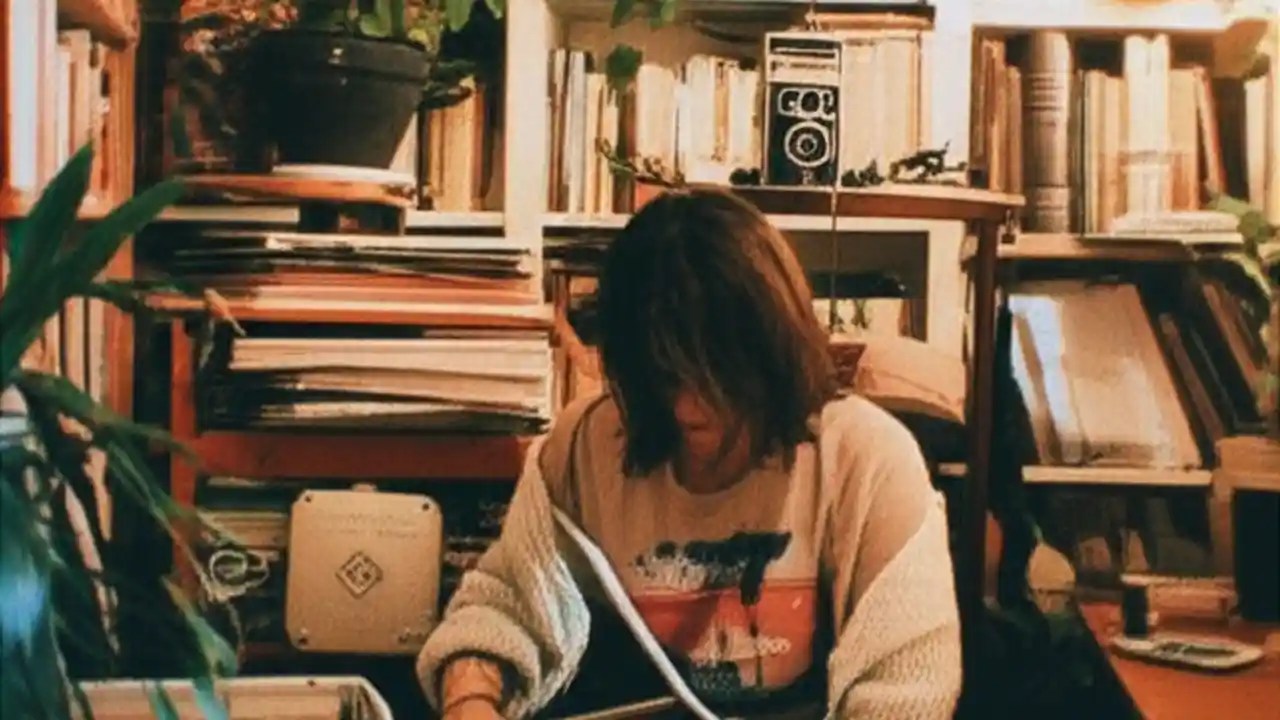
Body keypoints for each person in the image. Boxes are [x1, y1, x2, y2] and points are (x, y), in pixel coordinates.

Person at [417, 187, 962, 719]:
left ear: (771, 350)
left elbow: (907, 688)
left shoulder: (867, 459)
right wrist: (471, 700)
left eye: (717, 374)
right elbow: (502, 606)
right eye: (661, 377)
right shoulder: (584, 445)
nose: (685, 407)